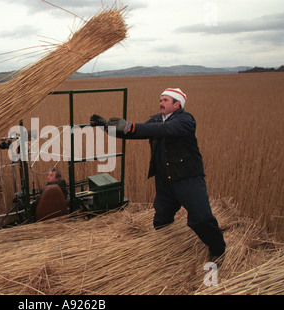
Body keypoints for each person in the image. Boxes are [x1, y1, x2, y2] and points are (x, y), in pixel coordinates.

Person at [90, 88, 226, 263]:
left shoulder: (185, 120)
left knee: (201, 218)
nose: (161, 103)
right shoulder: (156, 119)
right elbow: (138, 132)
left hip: (187, 178)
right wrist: (107, 128)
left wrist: (131, 126)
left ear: (177, 104)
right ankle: (166, 244)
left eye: (166, 100)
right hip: (164, 180)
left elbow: (164, 129)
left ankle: (218, 249)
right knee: (161, 218)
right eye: (161, 99)